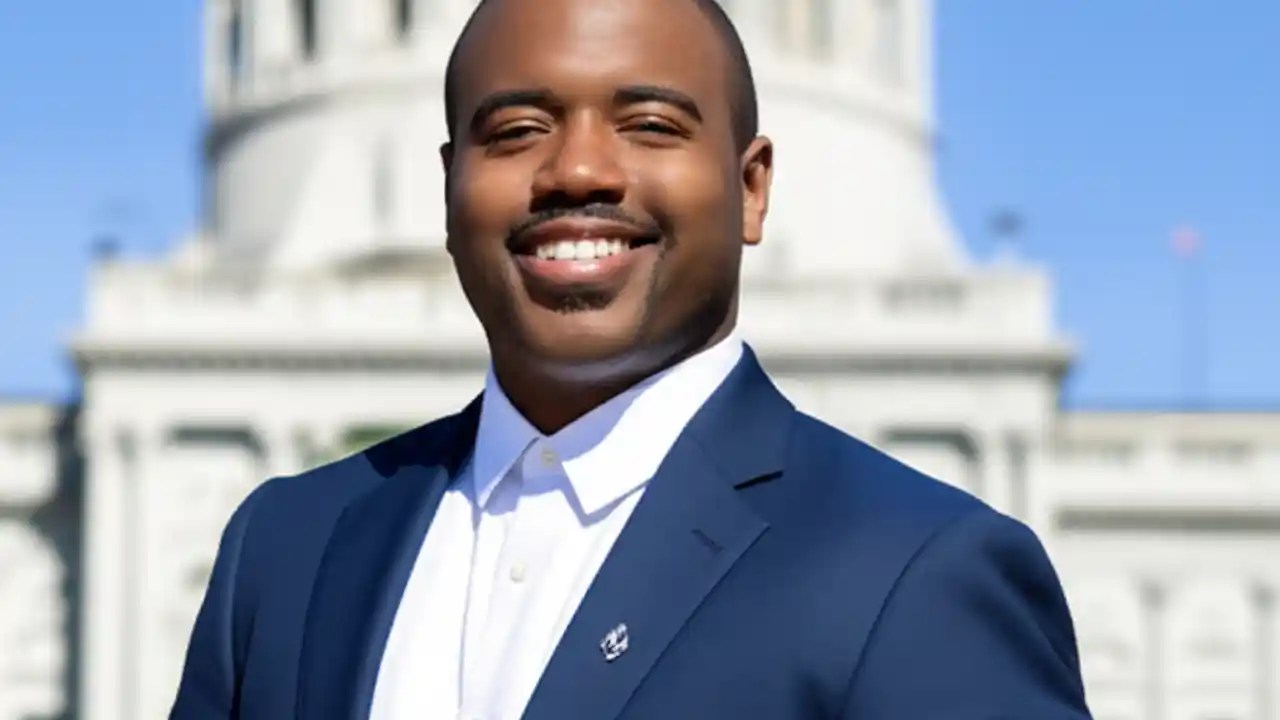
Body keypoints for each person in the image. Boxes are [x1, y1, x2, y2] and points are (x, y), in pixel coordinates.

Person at [172, 0, 1092, 717]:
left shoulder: (918, 569)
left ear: (750, 187)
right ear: (448, 186)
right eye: (517, 129)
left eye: (650, 124)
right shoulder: (285, 550)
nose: (578, 170)